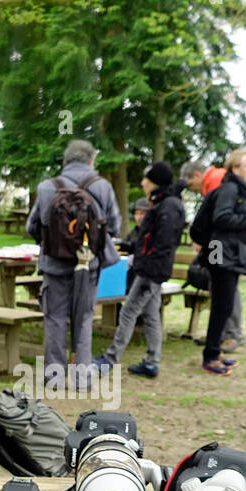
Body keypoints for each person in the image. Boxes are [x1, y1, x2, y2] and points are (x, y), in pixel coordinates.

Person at [26, 139, 121, 391]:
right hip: (88, 265)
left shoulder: (48, 187)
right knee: (84, 318)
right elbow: (115, 226)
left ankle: (54, 378)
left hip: (54, 266)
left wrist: (52, 246)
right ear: (91, 160)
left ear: (66, 161)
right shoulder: (101, 186)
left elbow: (32, 227)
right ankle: (81, 379)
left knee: (55, 318)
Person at [92, 162, 184, 379]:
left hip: (151, 271)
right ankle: (152, 362)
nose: (142, 183)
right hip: (152, 269)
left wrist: (147, 266)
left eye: (146, 179)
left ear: (155, 182)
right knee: (151, 315)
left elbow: (164, 243)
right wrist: (127, 245)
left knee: (128, 311)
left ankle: (110, 359)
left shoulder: (169, 206)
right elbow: (148, 240)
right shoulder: (162, 203)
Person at [191, 148, 246, 376]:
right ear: (234, 168)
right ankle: (210, 357)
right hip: (220, 252)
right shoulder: (230, 189)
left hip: (226, 252)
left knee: (223, 304)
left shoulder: (236, 189)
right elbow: (221, 218)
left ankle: (214, 351)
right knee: (221, 303)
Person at [186, 162, 246, 352]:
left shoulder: (216, 180)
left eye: (191, 184)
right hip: (221, 242)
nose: (194, 189)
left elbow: (216, 218)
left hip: (223, 243)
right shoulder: (216, 179)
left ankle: (232, 334)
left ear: (197, 174)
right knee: (217, 284)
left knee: (226, 286)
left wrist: (203, 241)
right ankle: (218, 333)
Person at [117, 197, 151, 293]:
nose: (138, 217)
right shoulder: (134, 231)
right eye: (137, 214)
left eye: (142, 214)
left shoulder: (151, 232)